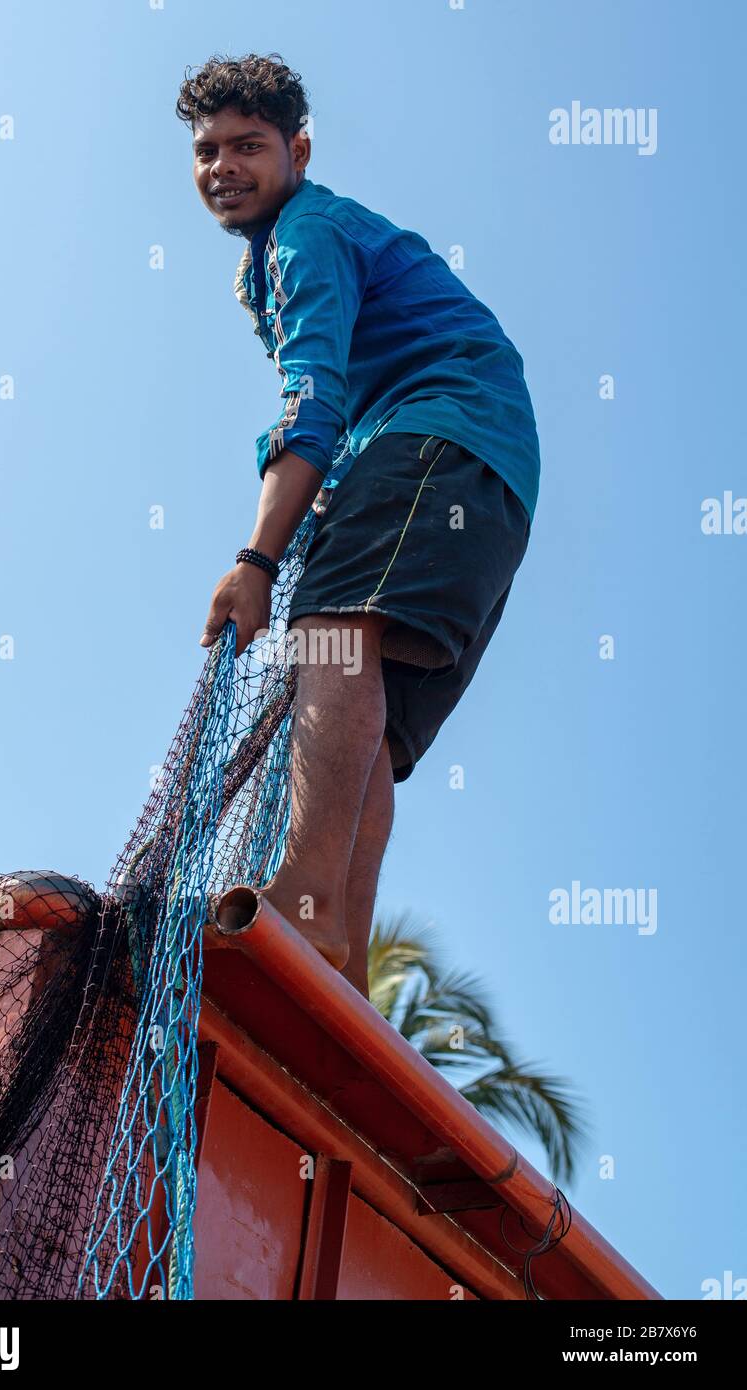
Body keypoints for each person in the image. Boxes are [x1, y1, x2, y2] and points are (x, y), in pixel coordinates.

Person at [176, 53, 540, 1000]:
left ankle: (305, 899)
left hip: (439, 434)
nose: (224, 165)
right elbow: (324, 406)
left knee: (331, 638)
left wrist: (256, 559)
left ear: (297, 150)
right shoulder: (271, 262)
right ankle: (336, 951)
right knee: (364, 710)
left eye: (248, 146)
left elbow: (316, 401)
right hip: (489, 477)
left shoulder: (308, 233)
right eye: (207, 150)